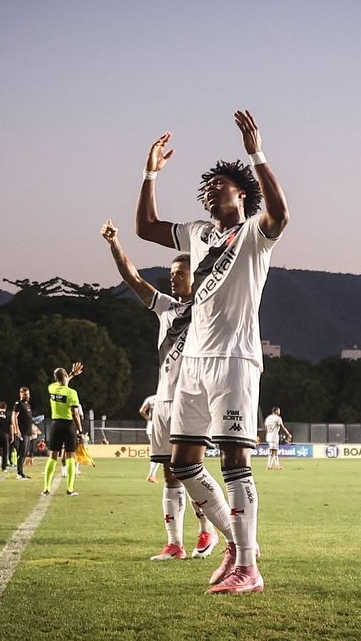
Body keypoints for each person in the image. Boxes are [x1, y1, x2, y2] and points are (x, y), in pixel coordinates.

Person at [136, 110, 289, 593]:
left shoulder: (254, 235)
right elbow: (146, 227)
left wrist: (256, 154)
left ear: (240, 192)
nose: (209, 190)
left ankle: (249, 567)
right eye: (206, 187)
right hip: (194, 365)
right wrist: (150, 173)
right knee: (181, 463)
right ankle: (235, 543)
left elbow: (281, 214)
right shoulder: (199, 233)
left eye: (219, 184)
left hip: (234, 361)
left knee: (235, 463)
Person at [102, 220, 218, 560]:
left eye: (180, 272)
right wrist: (114, 244)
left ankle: (208, 531)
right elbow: (134, 279)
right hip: (163, 403)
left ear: (196, 275)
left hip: (191, 401)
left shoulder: (208, 310)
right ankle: (174, 543)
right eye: (171, 272)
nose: (173, 277)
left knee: (190, 469)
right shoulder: (166, 308)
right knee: (170, 473)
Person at [44, 365, 84, 496]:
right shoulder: (72, 393)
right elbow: (75, 414)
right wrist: (80, 431)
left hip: (55, 425)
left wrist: (72, 374)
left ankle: (46, 489)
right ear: (65, 376)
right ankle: (70, 489)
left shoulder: (52, 388)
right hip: (68, 426)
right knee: (70, 456)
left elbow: (62, 384)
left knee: (52, 456)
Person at [11, 387, 34, 480]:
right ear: (20, 394)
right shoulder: (18, 404)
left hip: (28, 432)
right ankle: (19, 473)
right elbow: (14, 416)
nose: (27, 396)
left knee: (25, 452)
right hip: (22, 432)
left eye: (28, 394)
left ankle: (21, 472)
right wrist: (16, 429)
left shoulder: (27, 405)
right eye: (25, 394)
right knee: (21, 452)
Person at [139, 396, 161, 483]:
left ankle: (152, 474)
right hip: (160, 428)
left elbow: (142, 411)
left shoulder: (150, 399)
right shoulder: (166, 398)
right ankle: (152, 475)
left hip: (150, 427)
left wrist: (149, 420)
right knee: (160, 452)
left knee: (157, 451)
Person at [263, 407, 291, 471]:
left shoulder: (268, 418)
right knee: (273, 452)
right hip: (274, 437)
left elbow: (265, 428)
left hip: (269, 436)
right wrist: (288, 434)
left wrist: (268, 433)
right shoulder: (278, 418)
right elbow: (282, 427)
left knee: (274, 452)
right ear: (275, 411)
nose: (279, 412)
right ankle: (270, 466)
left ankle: (276, 465)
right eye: (279, 411)